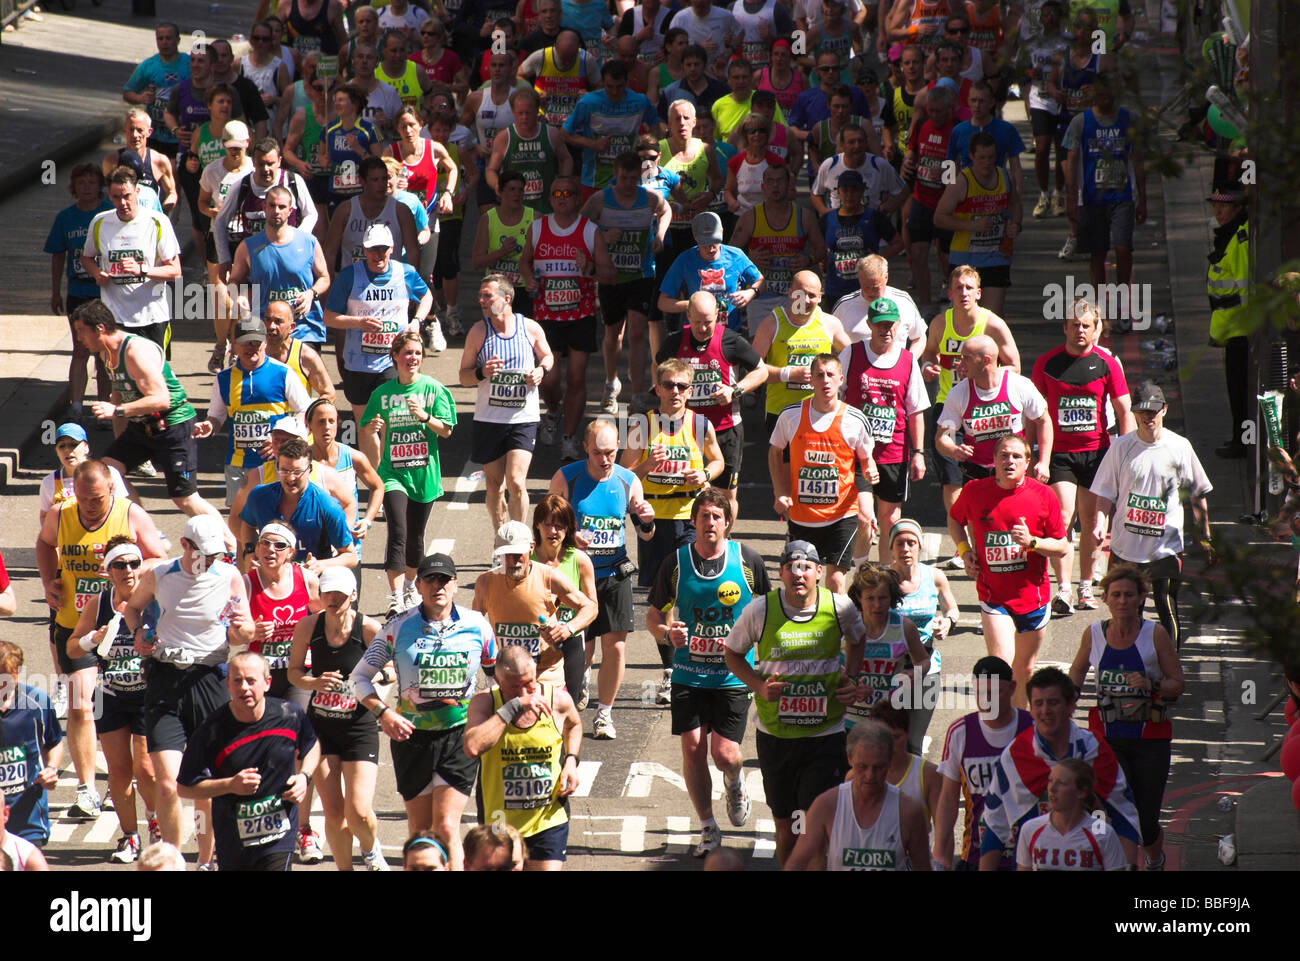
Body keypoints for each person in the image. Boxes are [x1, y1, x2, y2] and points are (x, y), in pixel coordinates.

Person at [35, 458, 167, 823]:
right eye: (83, 497)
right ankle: (87, 789)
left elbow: (159, 559)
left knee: (115, 706)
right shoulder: (61, 514)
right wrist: (48, 580)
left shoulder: (131, 514)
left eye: (96, 498)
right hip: (76, 626)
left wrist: (123, 572)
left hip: (123, 629)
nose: (89, 505)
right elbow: (44, 545)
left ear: (111, 489)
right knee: (79, 705)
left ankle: (119, 782)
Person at [124, 514, 256, 868]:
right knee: (166, 783)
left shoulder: (229, 576)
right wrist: (140, 633)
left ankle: (206, 861)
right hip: (166, 680)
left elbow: (245, 628)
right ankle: (172, 860)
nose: (209, 562)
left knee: (206, 782)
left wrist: (244, 632)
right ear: (185, 545)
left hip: (210, 678)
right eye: (204, 555)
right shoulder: (161, 574)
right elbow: (133, 607)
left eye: (215, 555)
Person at [723, 540, 867, 865]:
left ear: (819, 572)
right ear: (781, 573)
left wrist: (853, 678)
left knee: (813, 827)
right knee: (786, 830)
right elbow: (732, 654)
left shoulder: (840, 607)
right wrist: (759, 686)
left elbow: (859, 641)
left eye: (806, 568)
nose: (798, 575)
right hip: (776, 737)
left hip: (825, 736)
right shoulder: (760, 609)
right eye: (791, 567)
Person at [351, 553, 497, 871]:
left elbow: (497, 679)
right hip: (411, 738)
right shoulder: (397, 627)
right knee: (419, 834)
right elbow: (358, 678)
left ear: (456, 584)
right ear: (418, 585)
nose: (437, 586)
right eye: (430, 579)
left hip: (459, 736)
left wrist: (490, 717)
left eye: (444, 579)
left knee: (446, 827)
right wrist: (384, 714)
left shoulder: (478, 626)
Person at [646, 487, 768, 855]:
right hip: (689, 672)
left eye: (717, 516)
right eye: (704, 516)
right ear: (694, 521)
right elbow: (652, 616)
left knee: (726, 754)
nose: (710, 522)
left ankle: (734, 780)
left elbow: (768, 613)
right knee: (693, 747)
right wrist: (668, 633)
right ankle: (707, 827)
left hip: (733, 674)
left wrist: (767, 665)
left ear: (728, 522)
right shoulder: (676, 562)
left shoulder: (747, 560)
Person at [1068, 564, 1184, 870]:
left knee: (1146, 820)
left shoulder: (1155, 634)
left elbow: (1178, 682)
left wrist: (1151, 684)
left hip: (1150, 740)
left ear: (1141, 598)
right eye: (1116, 595)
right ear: (1105, 598)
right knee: (1110, 809)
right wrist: (1069, 697)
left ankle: (1154, 859)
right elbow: (1078, 669)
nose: (1122, 601)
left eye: (1129, 595)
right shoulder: (1094, 633)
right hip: (1107, 740)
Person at [548, 420, 657, 740]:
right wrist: (569, 538)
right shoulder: (566, 478)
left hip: (614, 574)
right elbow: (545, 528)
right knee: (583, 648)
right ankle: (580, 679)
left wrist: (647, 521)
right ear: (585, 449)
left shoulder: (628, 480)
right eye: (598, 452)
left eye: (610, 452)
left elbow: (646, 535)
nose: (605, 459)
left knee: (617, 646)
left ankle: (604, 713)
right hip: (576, 578)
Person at [623, 359, 726, 695]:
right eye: (669, 385)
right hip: (655, 517)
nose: (676, 392)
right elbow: (623, 473)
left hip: (689, 516)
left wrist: (706, 475)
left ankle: (697, 659)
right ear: (658, 389)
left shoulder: (700, 425)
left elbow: (718, 459)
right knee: (662, 599)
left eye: (682, 386)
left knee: (692, 589)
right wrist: (646, 465)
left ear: (691, 390)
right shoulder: (643, 425)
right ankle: (670, 669)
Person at [72, 301, 226, 522]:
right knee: (109, 472)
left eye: (81, 331)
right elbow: (118, 395)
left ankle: (231, 546)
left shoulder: (135, 351)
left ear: (99, 329)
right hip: (142, 427)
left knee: (185, 498)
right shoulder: (106, 354)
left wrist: (117, 411)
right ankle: (147, 532)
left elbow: (161, 399)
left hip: (173, 424)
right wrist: (121, 443)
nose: (79, 338)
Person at [1090, 380, 1213, 649]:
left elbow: (1197, 494)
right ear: (1134, 413)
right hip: (1126, 548)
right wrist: (1100, 524)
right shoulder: (1121, 448)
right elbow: (1104, 493)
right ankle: (1132, 666)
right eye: (1143, 412)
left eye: (1154, 411)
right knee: (1126, 614)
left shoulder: (1180, 447)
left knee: (1166, 608)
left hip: (1165, 548)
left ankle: (1172, 671)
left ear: (1165, 411)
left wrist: (1205, 536)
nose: (1148, 418)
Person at [978, 666, 1140, 869]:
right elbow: (995, 825)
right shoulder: (1015, 756)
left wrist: (1101, 844)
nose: (1045, 711)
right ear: (1031, 709)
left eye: (1053, 703)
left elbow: (1122, 816)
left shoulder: (1095, 750)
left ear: (1071, 704)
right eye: (1038, 704)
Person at [947, 435, 1068, 706]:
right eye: (1003, 455)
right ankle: (995, 728)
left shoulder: (1043, 495)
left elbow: (1062, 547)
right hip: (994, 596)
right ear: (994, 460)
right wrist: (965, 551)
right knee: (1000, 666)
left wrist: (1032, 542)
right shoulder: (975, 490)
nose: (1009, 461)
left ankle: (1019, 729)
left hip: (1033, 599)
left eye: (1016, 456)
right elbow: (955, 519)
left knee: (1023, 671)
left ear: (1027, 463)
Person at [1031, 298, 1132, 614]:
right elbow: (1034, 413)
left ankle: (1086, 586)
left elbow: (1123, 408)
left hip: (1097, 454)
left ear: (1095, 329)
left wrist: (1124, 452)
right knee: (1062, 517)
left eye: (1085, 325)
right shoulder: (1047, 363)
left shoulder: (1107, 362)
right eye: (1074, 325)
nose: (1079, 331)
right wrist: (1033, 452)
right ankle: (1062, 589)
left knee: (1092, 523)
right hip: (1061, 454)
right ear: (1064, 327)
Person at [64, 536, 161, 863]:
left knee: (146, 769)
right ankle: (130, 837)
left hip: (148, 695)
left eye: (134, 563)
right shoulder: (98, 603)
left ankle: (154, 820)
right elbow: (72, 647)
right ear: (109, 571)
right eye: (120, 565)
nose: (128, 571)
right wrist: (94, 638)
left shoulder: (154, 601)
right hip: (111, 694)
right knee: (119, 771)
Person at [177, 651, 320, 872]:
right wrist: (230, 785)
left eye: (251, 681)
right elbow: (185, 787)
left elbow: (312, 745)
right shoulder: (212, 730)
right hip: (233, 841)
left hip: (279, 835)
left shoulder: (289, 715)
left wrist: (305, 776)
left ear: (267, 682)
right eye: (237, 681)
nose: (244, 687)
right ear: (228, 685)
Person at [289, 566, 388, 870]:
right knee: (334, 813)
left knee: (357, 810)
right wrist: (314, 683)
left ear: (354, 595)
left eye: (340, 594)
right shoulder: (308, 626)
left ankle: (371, 852)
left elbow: (394, 669)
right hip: (321, 728)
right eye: (327, 592)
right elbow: (294, 673)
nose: (332, 599)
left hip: (358, 727)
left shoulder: (369, 629)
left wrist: (371, 679)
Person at [518, 173, 617, 460]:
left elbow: (610, 275)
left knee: (576, 379)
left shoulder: (590, 231)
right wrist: (528, 279)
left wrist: (588, 268)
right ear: (550, 199)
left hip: (580, 316)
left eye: (568, 194)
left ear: (577, 199)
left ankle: (569, 437)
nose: (562, 199)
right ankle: (552, 411)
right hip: (546, 317)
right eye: (557, 194)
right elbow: (525, 262)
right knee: (549, 381)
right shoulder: (537, 228)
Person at [359, 330, 456, 617]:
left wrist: (424, 416)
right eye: (407, 353)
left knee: (415, 536)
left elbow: (447, 430)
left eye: (417, 353)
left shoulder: (432, 389)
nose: (412, 358)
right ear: (395, 357)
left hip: (424, 474)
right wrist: (373, 431)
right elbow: (366, 431)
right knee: (397, 531)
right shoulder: (382, 394)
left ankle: (412, 587)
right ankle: (395, 597)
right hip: (393, 474)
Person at [463, 645, 583, 870]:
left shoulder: (557, 699)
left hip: (547, 817)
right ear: (498, 682)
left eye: (529, 684)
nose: (523, 693)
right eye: (514, 687)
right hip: (499, 819)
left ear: (535, 673)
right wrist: (511, 708)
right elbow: (472, 746)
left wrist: (571, 760)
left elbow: (574, 725)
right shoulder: (486, 703)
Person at [919, 268, 1020, 533]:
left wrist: (981, 373)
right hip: (949, 404)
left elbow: (1015, 367)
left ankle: (992, 527)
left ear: (978, 293)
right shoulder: (941, 323)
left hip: (984, 407)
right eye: (958, 288)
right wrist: (928, 366)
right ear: (949, 292)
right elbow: (929, 352)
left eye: (968, 288)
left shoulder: (993, 325)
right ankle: (960, 541)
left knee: (985, 475)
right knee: (952, 479)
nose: (963, 293)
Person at [768, 353, 876, 592]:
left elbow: (866, 459)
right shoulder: (791, 415)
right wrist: (780, 491)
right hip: (802, 515)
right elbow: (775, 451)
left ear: (841, 379)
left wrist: (870, 471)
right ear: (811, 381)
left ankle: (836, 628)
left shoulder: (855, 419)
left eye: (830, 375)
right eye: (819, 375)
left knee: (836, 579)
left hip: (841, 513)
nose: (825, 380)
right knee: (802, 581)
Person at [655, 292, 767, 522]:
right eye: (696, 322)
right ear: (687, 315)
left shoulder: (731, 340)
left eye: (708, 322)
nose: (703, 328)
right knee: (688, 490)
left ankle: (722, 544)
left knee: (725, 495)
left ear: (718, 315)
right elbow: (657, 367)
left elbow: (761, 371)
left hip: (725, 427)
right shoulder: (675, 341)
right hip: (686, 430)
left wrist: (734, 390)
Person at [459, 274, 554, 535]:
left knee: (516, 483)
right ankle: (500, 536)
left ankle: (519, 538)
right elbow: (463, 376)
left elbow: (547, 355)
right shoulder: (479, 332)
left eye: (487, 295)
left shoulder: (530, 328)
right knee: (494, 487)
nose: (482, 300)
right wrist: (481, 372)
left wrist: (541, 371)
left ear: (506, 298)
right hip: (489, 419)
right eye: (481, 296)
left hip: (523, 418)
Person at [580, 151, 672, 414]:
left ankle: (638, 394)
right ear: (615, 175)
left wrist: (660, 235)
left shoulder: (649, 198)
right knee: (613, 333)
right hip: (610, 275)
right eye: (623, 177)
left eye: (633, 178)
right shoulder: (601, 199)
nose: (628, 183)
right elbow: (580, 225)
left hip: (641, 274)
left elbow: (666, 211)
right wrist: (603, 236)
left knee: (637, 333)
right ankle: (611, 383)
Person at [839, 299, 929, 564]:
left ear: (898, 326)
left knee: (890, 519)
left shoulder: (908, 360)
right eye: (879, 324)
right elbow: (836, 395)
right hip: (857, 453)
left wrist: (919, 453)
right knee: (863, 516)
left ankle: (885, 578)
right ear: (869, 325)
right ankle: (861, 570)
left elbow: (915, 410)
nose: (885, 330)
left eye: (890, 324)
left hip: (894, 452)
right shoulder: (852, 353)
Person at [193, 317, 312, 506]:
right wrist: (208, 425)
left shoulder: (283, 373)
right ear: (234, 345)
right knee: (239, 522)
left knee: (275, 518)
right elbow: (216, 416)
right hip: (238, 465)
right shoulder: (223, 378)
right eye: (244, 342)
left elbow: (305, 410)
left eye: (256, 342)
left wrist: (283, 438)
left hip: (274, 464)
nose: (251, 347)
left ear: (265, 342)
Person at [323, 222, 432, 427]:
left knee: (390, 423)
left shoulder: (405, 272)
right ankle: (371, 461)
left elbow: (426, 296)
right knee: (366, 425)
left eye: (383, 248)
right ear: (364, 249)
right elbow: (328, 317)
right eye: (373, 249)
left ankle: (385, 460)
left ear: (392, 248)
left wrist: (417, 321)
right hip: (358, 364)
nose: (378, 254)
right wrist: (358, 322)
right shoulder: (349, 275)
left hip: (392, 361)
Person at [1063, 72, 1146, 331]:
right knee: (1098, 254)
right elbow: (1071, 160)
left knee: (1123, 249)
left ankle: (1123, 307)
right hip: (1092, 199)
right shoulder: (1080, 123)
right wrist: (1071, 199)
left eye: (1111, 94)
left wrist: (1143, 199)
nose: (1106, 99)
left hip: (1122, 198)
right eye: (1101, 94)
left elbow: (1138, 160)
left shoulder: (1128, 120)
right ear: (1092, 95)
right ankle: (1099, 308)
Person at [473, 520, 598, 692]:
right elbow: (473, 626)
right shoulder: (486, 582)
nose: (512, 561)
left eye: (518, 554)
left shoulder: (550, 578)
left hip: (546, 677)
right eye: (506, 554)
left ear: (531, 547)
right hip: (505, 678)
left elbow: (590, 607)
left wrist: (568, 628)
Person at [932, 655, 1032, 870]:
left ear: (1013, 688)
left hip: (1027, 854)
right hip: (976, 855)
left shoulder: (1032, 727)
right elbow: (948, 798)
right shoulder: (960, 732)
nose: (987, 701)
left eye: (995, 693)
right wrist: (940, 851)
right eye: (980, 693)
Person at [80, 166, 182, 357]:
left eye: (127, 196)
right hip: (115, 318)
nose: (123, 203)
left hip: (152, 317)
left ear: (137, 191)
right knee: (120, 378)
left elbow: (175, 271)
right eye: (116, 197)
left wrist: (142, 270)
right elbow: (86, 257)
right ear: (109, 196)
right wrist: (97, 273)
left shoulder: (157, 222)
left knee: (153, 377)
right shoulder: (100, 222)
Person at [46, 163, 113, 422]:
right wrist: (55, 291)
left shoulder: (109, 213)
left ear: (100, 187)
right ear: (73, 187)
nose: (87, 188)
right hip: (77, 291)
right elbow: (57, 256)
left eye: (92, 182)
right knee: (80, 349)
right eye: (81, 183)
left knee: (105, 352)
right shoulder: (65, 218)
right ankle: (76, 406)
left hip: (105, 292)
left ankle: (104, 406)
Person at [935, 333, 1048, 485]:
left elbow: (1044, 421)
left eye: (966, 358)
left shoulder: (1019, 385)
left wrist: (1043, 462)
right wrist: (954, 450)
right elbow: (942, 437)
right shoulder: (958, 393)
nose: (959, 364)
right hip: (976, 473)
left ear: (986, 360)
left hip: (1014, 472)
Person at [237, 434, 359, 574]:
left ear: (310, 470)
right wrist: (249, 551)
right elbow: (247, 525)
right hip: (270, 581)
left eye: (297, 472)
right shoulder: (259, 496)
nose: (291, 478)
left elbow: (351, 556)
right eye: (285, 471)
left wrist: (322, 565)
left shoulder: (326, 505)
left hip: (310, 585)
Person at [844, 565, 931, 760]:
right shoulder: (847, 625)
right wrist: (850, 684)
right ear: (859, 597)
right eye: (870, 598)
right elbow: (831, 666)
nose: (877, 605)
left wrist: (914, 673)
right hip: (850, 719)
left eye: (883, 598)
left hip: (888, 720)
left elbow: (924, 660)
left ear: (891, 597)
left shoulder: (904, 627)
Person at [933, 132, 1020, 316]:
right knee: (964, 317)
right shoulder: (961, 182)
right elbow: (939, 217)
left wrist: (1015, 224)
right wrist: (971, 226)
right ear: (971, 156)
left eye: (991, 157)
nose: (987, 162)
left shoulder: (1004, 177)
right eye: (981, 158)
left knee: (991, 318)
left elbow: (1014, 204)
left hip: (996, 256)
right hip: (965, 260)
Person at [731, 165, 826, 327]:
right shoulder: (750, 217)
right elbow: (730, 255)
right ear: (763, 186)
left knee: (795, 341)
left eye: (780, 181)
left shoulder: (804, 216)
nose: (775, 186)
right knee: (760, 348)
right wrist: (749, 259)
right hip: (760, 295)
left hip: (795, 295)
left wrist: (807, 259)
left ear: (789, 185)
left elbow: (822, 250)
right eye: (770, 181)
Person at [531, 495, 599, 706]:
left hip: (570, 641)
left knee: (567, 707)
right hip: (532, 642)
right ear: (537, 525)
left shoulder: (579, 560)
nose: (553, 532)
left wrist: (569, 628)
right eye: (548, 525)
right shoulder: (526, 558)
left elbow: (592, 607)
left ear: (569, 528)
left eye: (559, 526)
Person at [0, 641, 64, 850]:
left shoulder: (37, 702)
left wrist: (51, 769)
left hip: (29, 819)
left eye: (8, 678)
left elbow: (54, 743)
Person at [563, 59, 659, 197]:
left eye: (619, 86)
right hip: (594, 180)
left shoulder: (640, 102)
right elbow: (565, 133)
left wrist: (647, 153)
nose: (614, 92)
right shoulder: (589, 102)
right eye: (610, 86)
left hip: (630, 180)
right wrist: (593, 144)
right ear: (602, 83)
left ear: (627, 82)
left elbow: (655, 126)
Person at [657, 211, 763, 336]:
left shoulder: (736, 256)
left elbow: (761, 281)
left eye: (714, 241)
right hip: (697, 334)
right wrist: (692, 305)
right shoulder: (685, 260)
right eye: (705, 243)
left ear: (722, 232)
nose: (711, 248)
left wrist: (751, 292)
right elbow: (663, 303)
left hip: (730, 333)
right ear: (695, 236)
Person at [1014, 757, 1129, 870]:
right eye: (1050, 780)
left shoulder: (1103, 834)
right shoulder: (1030, 829)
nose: (1052, 789)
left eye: (1061, 783)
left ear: (1081, 792)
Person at [901, 83, 958, 309]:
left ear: (950, 109)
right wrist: (908, 161)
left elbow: (964, 169)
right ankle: (925, 306)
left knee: (947, 257)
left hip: (947, 204)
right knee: (918, 252)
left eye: (939, 111)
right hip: (921, 199)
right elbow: (912, 149)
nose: (934, 116)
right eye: (930, 110)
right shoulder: (922, 124)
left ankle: (950, 295)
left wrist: (946, 172)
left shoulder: (957, 130)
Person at [1206, 182, 1252, 459]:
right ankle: (1239, 438)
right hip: (1231, 326)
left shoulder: (1240, 237)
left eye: (1223, 206)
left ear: (1238, 208)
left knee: (1240, 390)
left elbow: (1246, 285)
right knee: (1235, 389)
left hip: (1241, 328)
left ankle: (1242, 442)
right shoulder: (1228, 234)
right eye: (1215, 205)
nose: (1217, 211)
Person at [485, 87, 573, 216]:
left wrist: (563, 182)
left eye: (528, 113)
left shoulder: (551, 134)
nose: (524, 117)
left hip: (546, 208)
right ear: (513, 112)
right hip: (515, 209)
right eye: (520, 113)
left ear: (537, 111)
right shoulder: (504, 138)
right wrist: (498, 186)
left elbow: (566, 159)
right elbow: (491, 170)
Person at [1019, 0, 1070, 220]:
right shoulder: (1032, 42)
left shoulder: (1068, 42)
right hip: (1039, 99)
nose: (1049, 18)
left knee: (1061, 150)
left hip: (1061, 101)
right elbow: (1022, 69)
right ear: (1040, 18)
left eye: (1053, 15)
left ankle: (1059, 193)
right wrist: (1031, 74)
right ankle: (1043, 194)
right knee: (1041, 149)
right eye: (1045, 15)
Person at [821, 174, 903, 308]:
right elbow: (817, 247)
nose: (849, 195)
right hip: (835, 290)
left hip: (867, 290)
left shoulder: (874, 217)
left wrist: (878, 261)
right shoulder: (827, 219)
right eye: (845, 190)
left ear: (862, 191)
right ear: (838, 192)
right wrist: (821, 258)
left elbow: (899, 243)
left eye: (854, 190)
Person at [888, 518, 959, 650]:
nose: (905, 549)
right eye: (899, 543)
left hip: (923, 656)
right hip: (890, 658)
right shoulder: (881, 580)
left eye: (911, 543)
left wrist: (947, 622)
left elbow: (952, 610)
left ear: (919, 547)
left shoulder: (935, 576)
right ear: (891, 548)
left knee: (919, 671)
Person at [122, 22, 190, 160]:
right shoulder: (148, 66)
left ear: (178, 40)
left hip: (182, 136)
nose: (164, 42)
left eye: (168, 38)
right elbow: (128, 92)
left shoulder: (189, 64)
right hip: (154, 136)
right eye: (160, 38)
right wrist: (141, 98)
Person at [832, 254, 926, 352]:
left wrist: (909, 361)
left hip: (896, 366)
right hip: (857, 366)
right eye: (866, 287)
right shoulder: (844, 305)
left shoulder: (903, 301)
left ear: (886, 277)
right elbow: (830, 340)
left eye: (876, 288)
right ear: (859, 279)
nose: (870, 292)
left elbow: (919, 336)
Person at [520, 29, 601, 138]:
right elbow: (519, 76)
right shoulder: (541, 57)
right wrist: (532, 95)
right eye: (563, 58)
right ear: (555, 47)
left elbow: (601, 87)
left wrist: (590, 96)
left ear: (578, 48)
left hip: (574, 127)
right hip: (544, 123)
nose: (567, 63)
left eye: (571, 58)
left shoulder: (586, 60)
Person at [317, 84, 384, 212]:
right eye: (335, 100)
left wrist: (359, 149)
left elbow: (379, 165)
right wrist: (323, 160)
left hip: (362, 192)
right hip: (336, 193)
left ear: (355, 104)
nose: (336, 104)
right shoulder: (328, 130)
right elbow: (321, 156)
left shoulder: (370, 130)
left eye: (341, 100)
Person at [263, 299, 335, 401]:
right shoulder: (254, 352)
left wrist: (308, 414)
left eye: (278, 321)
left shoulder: (306, 356)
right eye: (268, 320)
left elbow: (328, 394)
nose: (271, 326)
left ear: (291, 327)